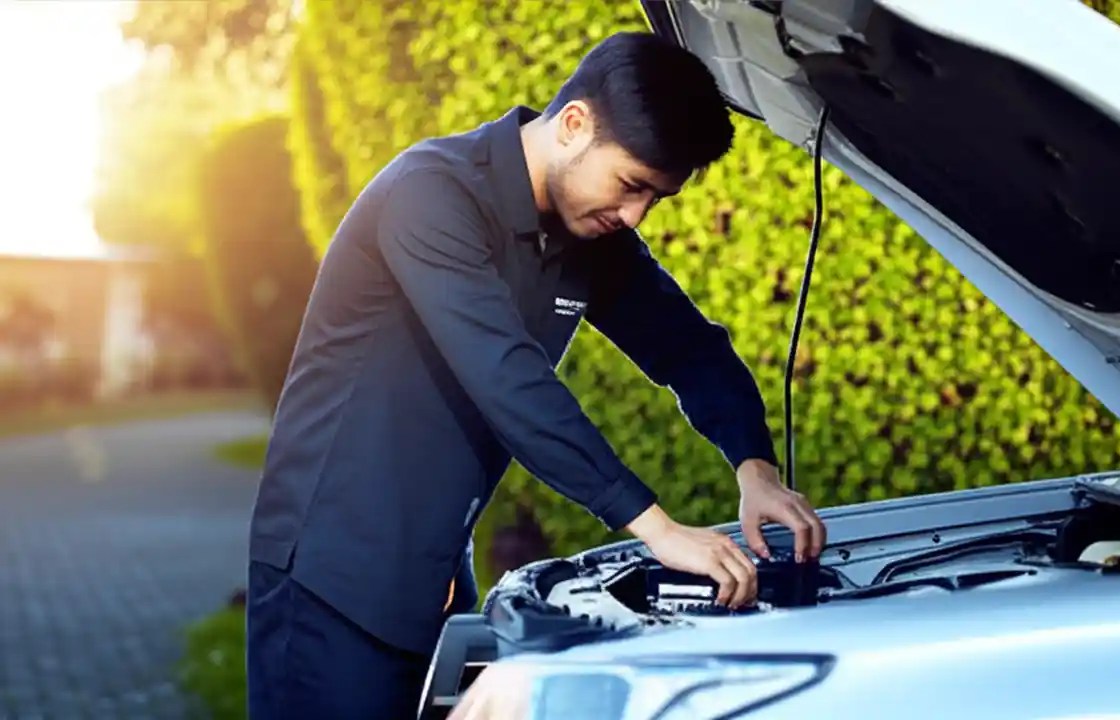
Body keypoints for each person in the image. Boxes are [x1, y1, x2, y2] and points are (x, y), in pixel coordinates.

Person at [244, 30, 828, 719]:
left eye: (655, 200)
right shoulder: (428, 198)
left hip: (437, 571)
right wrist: (657, 528)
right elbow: (508, 381)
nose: (634, 215)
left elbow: (690, 348)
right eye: (631, 185)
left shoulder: (589, 233)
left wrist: (754, 467)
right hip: (328, 576)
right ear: (574, 124)